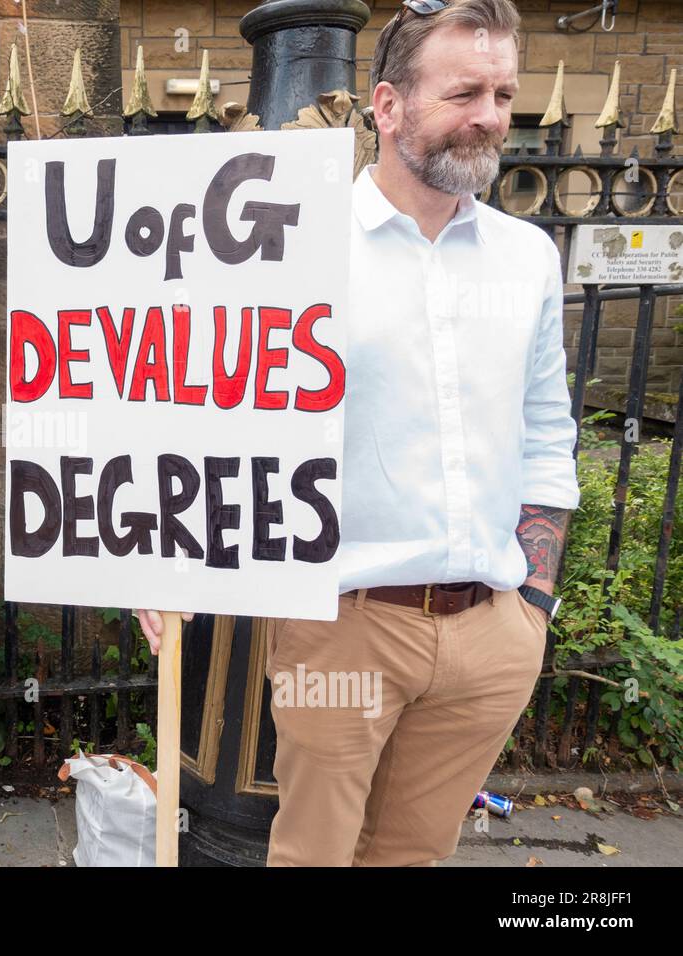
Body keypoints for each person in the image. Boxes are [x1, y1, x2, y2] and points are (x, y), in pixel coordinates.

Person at [135, 0, 579, 866]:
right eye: (462, 94)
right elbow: (203, 404)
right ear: (386, 106)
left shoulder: (528, 258)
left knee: (414, 856)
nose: (489, 116)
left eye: (502, 93)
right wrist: (161, 548)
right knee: (312, 854)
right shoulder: (290, 245)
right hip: (346, 625)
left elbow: (546, 429)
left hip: (492, 631)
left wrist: (533, 602)